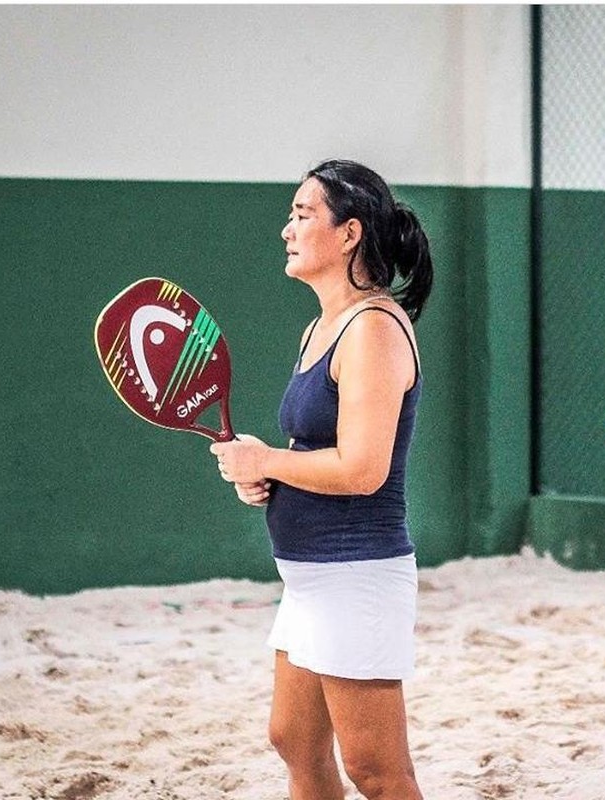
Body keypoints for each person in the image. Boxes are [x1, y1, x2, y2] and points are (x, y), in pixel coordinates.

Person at [210, 159, 432, 799]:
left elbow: (364, 470)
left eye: (303, 214)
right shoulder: (321, 326)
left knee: (377, 772)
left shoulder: (374, 328)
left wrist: (270, 462)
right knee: (295, 741)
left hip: (357, 574)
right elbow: (318, 449)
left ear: (349, 234)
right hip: (309, 577)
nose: (287, 228)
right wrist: (270, 475)